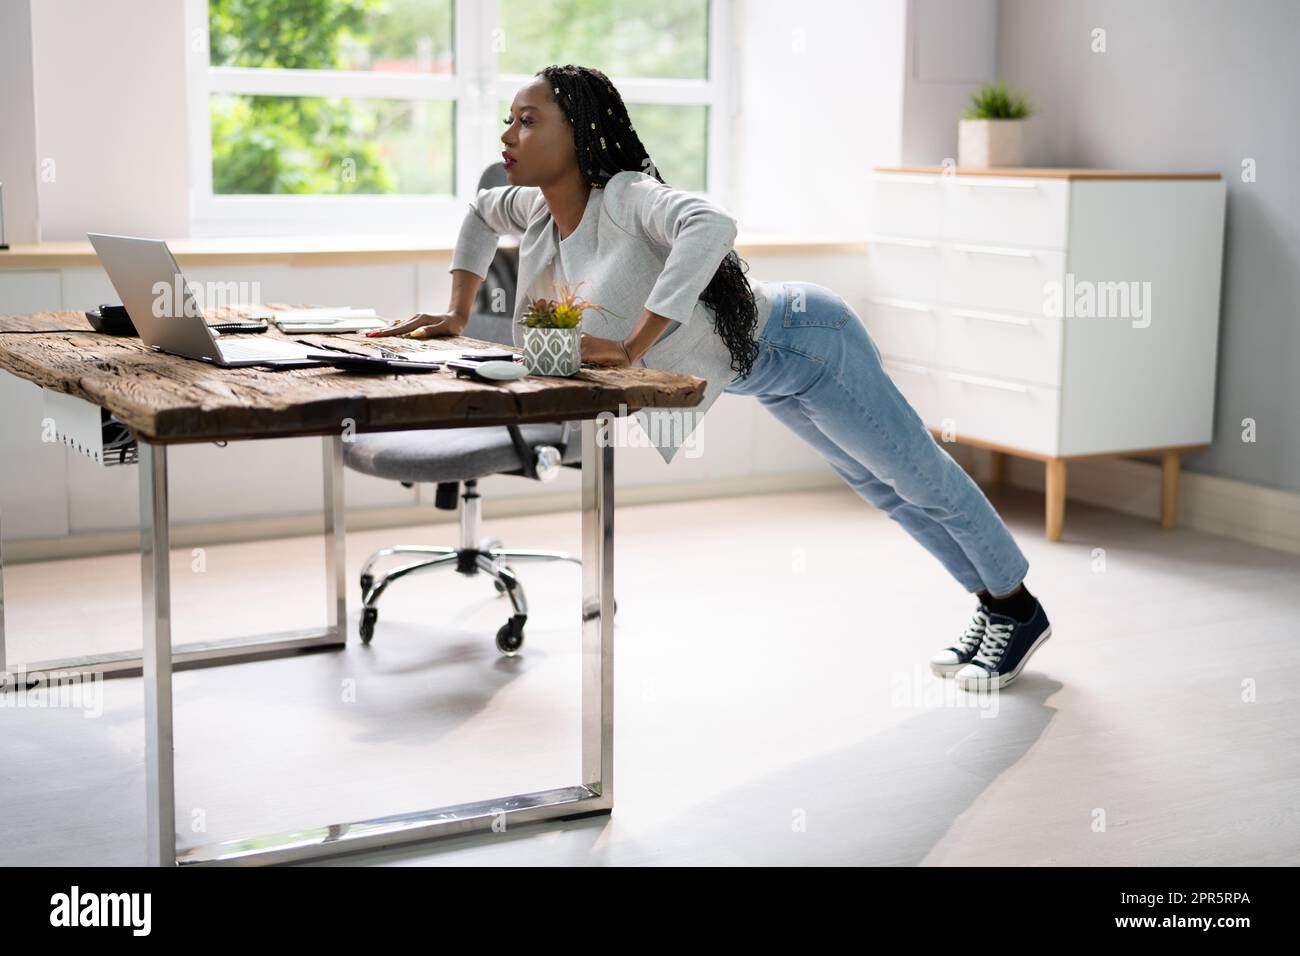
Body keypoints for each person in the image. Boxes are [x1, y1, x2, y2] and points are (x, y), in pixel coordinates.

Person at [368, 64, 1052, 690]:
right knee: (885, 487)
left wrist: (635, 344)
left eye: (527, 120)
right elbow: (479, 212)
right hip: (768, 370)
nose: (508, 135)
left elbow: (711, 224)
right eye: (509, 120)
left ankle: (1019, 609)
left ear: (577, 133)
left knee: (917, 475)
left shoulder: (627, 195)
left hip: (809, 341)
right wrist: (458, 313)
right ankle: (993, 603)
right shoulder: (540, 209)